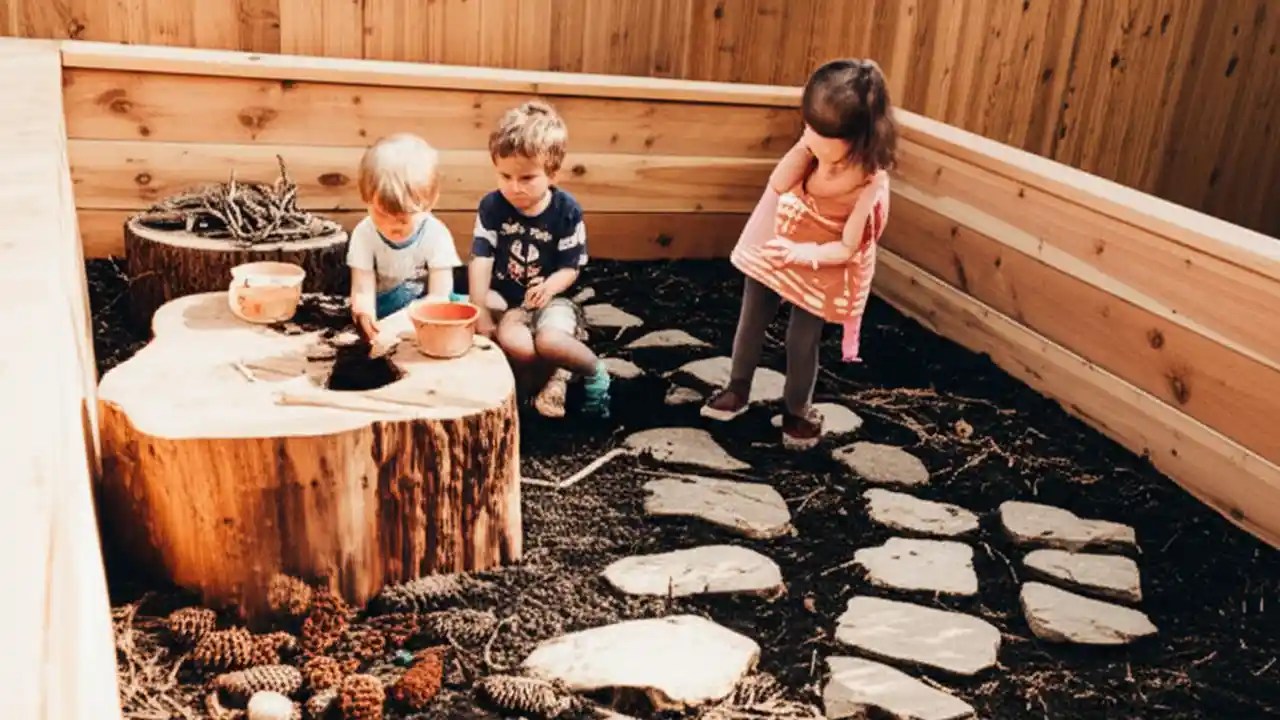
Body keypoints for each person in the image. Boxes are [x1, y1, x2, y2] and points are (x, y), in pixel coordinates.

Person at [700, 58, 896, 449]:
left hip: (821, 258)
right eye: (809, 127)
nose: (811, 137)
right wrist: (806, 148)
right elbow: (779, 183)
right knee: (752, 315)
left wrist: (801, 252)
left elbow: (849, 248)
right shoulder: (812, 148)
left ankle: (796, 412)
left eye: (824, 134)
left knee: (802, 337)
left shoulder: (871, 187)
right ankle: (737, 389)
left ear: (860, 138)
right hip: (782, 239)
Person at [465, 101, 611, 419]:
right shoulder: (492, 206)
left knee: (550, 340)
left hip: (554, 299)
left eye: (527, 178)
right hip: (512, 301)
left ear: (552, 172)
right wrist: (480, 312)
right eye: (504, 176)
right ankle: (532, 392)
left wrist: (548, 287)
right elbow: (481, 258)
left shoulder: (566, 210)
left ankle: (595, 372)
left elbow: (571, 267)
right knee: (517, 345)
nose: (514, 187)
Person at [347, 132, 462, 342]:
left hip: (425, 314)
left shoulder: (436, 235)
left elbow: (440, 295)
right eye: (381, 214)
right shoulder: (364, 233)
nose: (392, 226)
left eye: (403, 218)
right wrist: (364, 312)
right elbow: (362, 288)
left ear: (430, 203)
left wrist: (406, 321)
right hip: (382, 311)